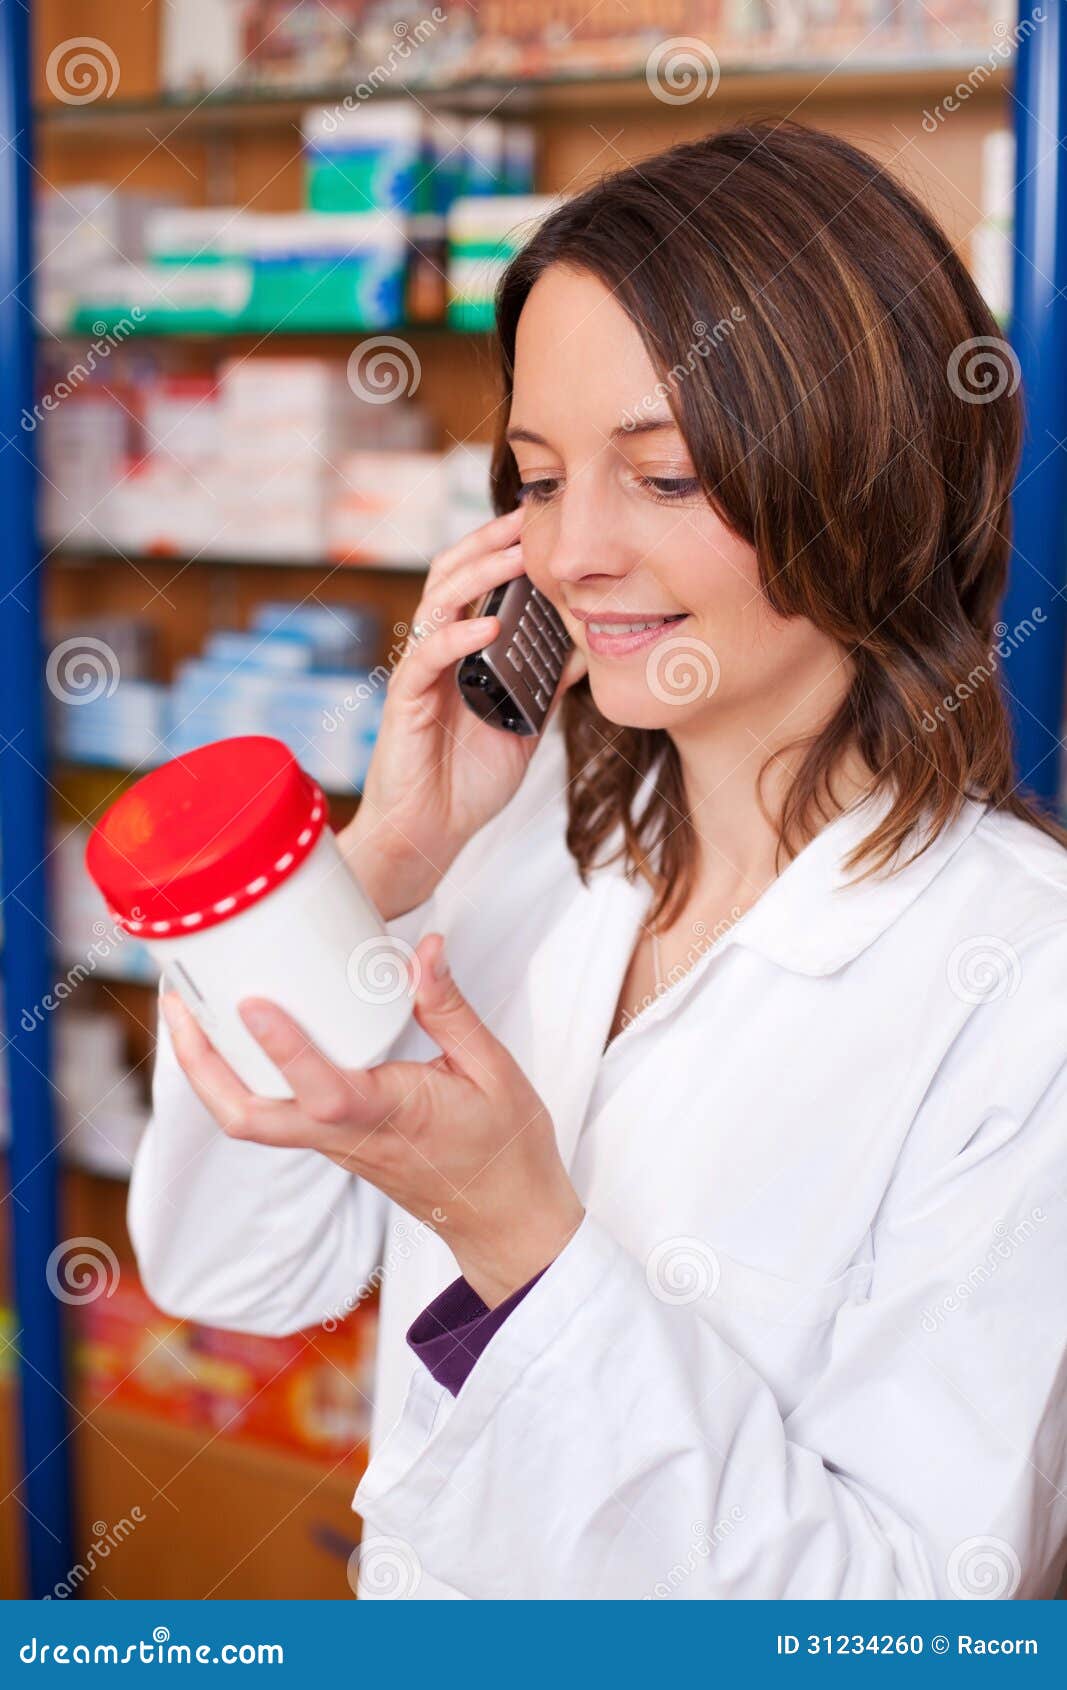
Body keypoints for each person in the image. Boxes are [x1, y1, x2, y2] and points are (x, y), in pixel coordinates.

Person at [128, 120, 1067, 1600]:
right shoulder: (530, 846)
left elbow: (916, 1613)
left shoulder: (1022, 983)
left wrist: (521, 1239)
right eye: (538, 478)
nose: (572, 555)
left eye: (665, 476)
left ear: (872, 479)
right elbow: (236, 1274)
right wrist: (383, 863)